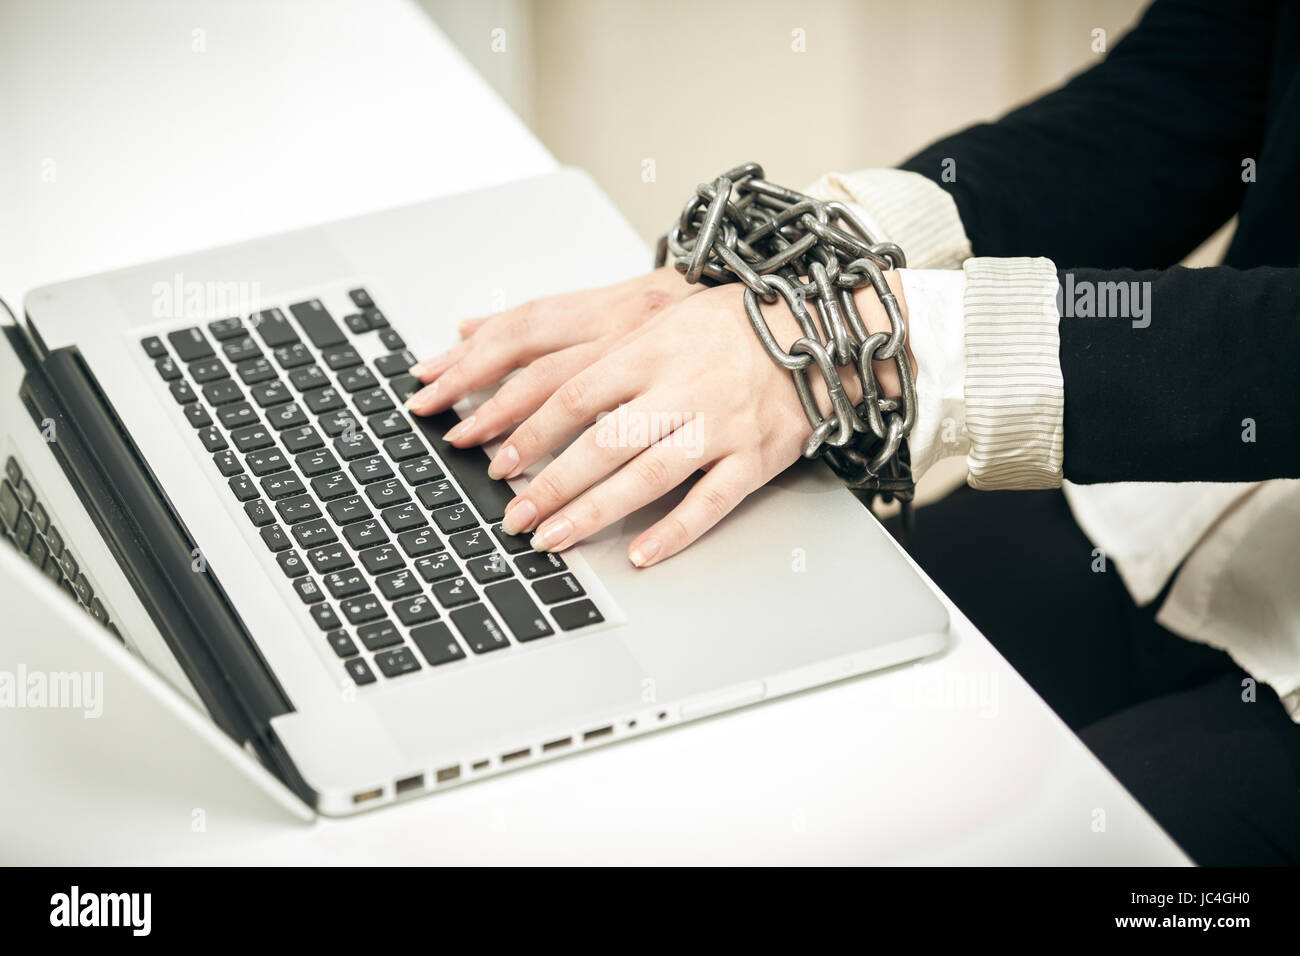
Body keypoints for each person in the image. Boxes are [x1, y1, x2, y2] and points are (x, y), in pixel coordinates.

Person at [406, 0, 1300, 864]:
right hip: (1184, 495)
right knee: (728, 731)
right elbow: (1189, 89)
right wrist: (805, 259)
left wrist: (883, 343)